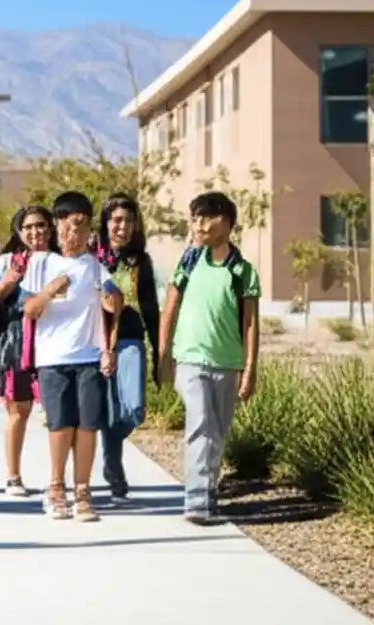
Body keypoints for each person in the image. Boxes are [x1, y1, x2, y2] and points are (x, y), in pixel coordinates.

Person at [158, 192, 260, 525]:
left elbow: (250, 324)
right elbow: (169, 310)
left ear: (227, 224)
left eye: (206, 218)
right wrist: (163, 354)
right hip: (189, 358)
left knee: (218, 432)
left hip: (227, 363)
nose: (198, 224)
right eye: (195, 218)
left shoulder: (242, 271)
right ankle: (197, 499)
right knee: (200, 423)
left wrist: (249, 371)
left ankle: (209, 485)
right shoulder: (189, 261)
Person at [23, 191, 123, 522]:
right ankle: (55, 487)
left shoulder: (94, 266)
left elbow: (114, 306)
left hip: (89, 357)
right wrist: (51, 290)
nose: (72, 232)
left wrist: (109, 345)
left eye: (80, 224)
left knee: (87, 426)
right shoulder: (41, 263)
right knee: (60, 424)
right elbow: (30, 311)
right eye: (66, 224)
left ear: (89, 228)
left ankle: (83, 490)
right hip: (52, 358)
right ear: (56, 226)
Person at [93, 195, 160, 505]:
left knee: (132, 410)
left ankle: (108, 448)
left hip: (131, 341)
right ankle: (115, 472)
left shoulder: (140, 263)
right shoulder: (92, 260)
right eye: (116, 220)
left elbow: (151, 309)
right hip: (96, 343)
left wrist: (160, 352)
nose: (122, 226)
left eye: (128, 220)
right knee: (108, 408)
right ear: (105, 224)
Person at [0, 206, 57, 497]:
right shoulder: (6, 262)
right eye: (27, 227)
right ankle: (13, 476)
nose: (35, 232)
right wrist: (7, 283)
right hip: (17, 342)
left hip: (55, 339)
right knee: (19, 410)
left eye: (40, 225)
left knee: (58, 412)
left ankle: (58, 480)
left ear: (50, 228)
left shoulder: (60, 260)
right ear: (18, 231)